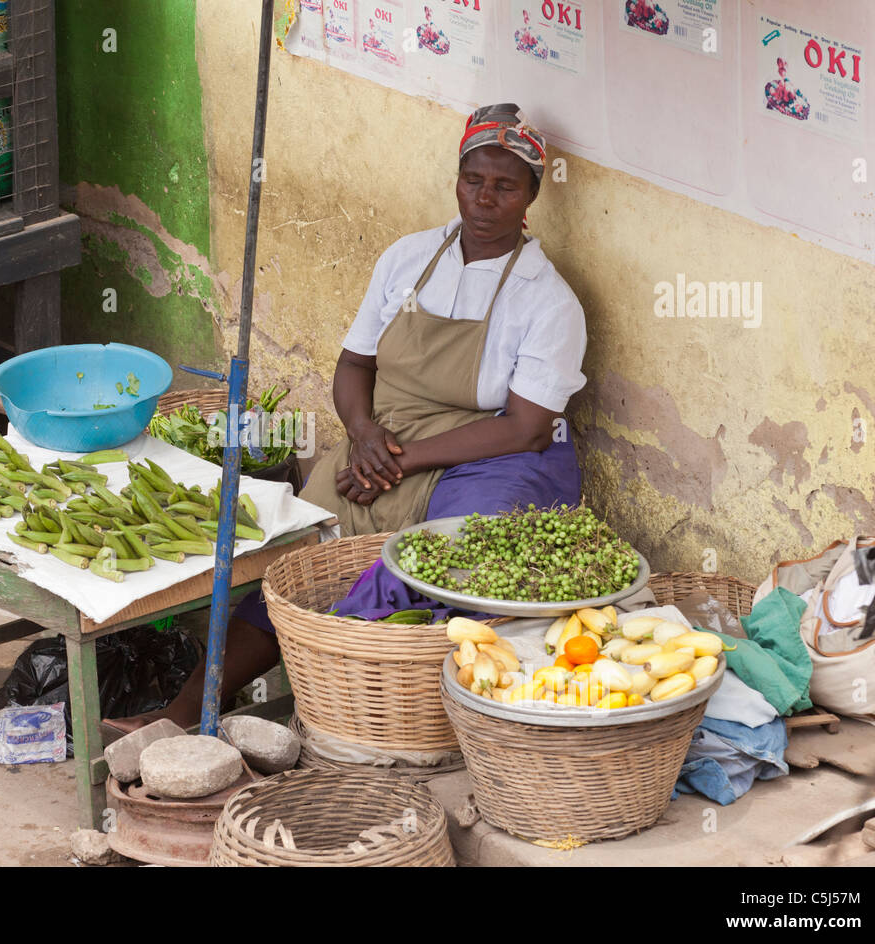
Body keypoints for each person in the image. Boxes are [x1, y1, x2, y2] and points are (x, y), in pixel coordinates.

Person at [107, 103, 587, 733]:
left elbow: (525, 426)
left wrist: (399, 460)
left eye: (505, 186)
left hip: (495, 454)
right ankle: (184, 713)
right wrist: (362, 437)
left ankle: (347, 699)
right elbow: (353, 365)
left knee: (435, 564)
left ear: (530, 197)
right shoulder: (408, 259)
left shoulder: (548, 299)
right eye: (475, 179)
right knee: (294, 560)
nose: (485, 198)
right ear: (457, 179)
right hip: (384, 434)